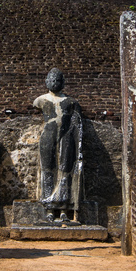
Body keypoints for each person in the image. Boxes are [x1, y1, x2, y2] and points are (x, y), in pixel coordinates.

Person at [33, 68, 83, 222]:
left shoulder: (71, 102)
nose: (54, 82)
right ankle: (49, 207)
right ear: (46, 81)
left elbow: (77, 125)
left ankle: (63, 207)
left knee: (65, 171)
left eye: (58, 79)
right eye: (51, 79)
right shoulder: (40, 100)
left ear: (63, 82)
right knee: (48, 170)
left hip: (66, 138)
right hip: (48, 137)